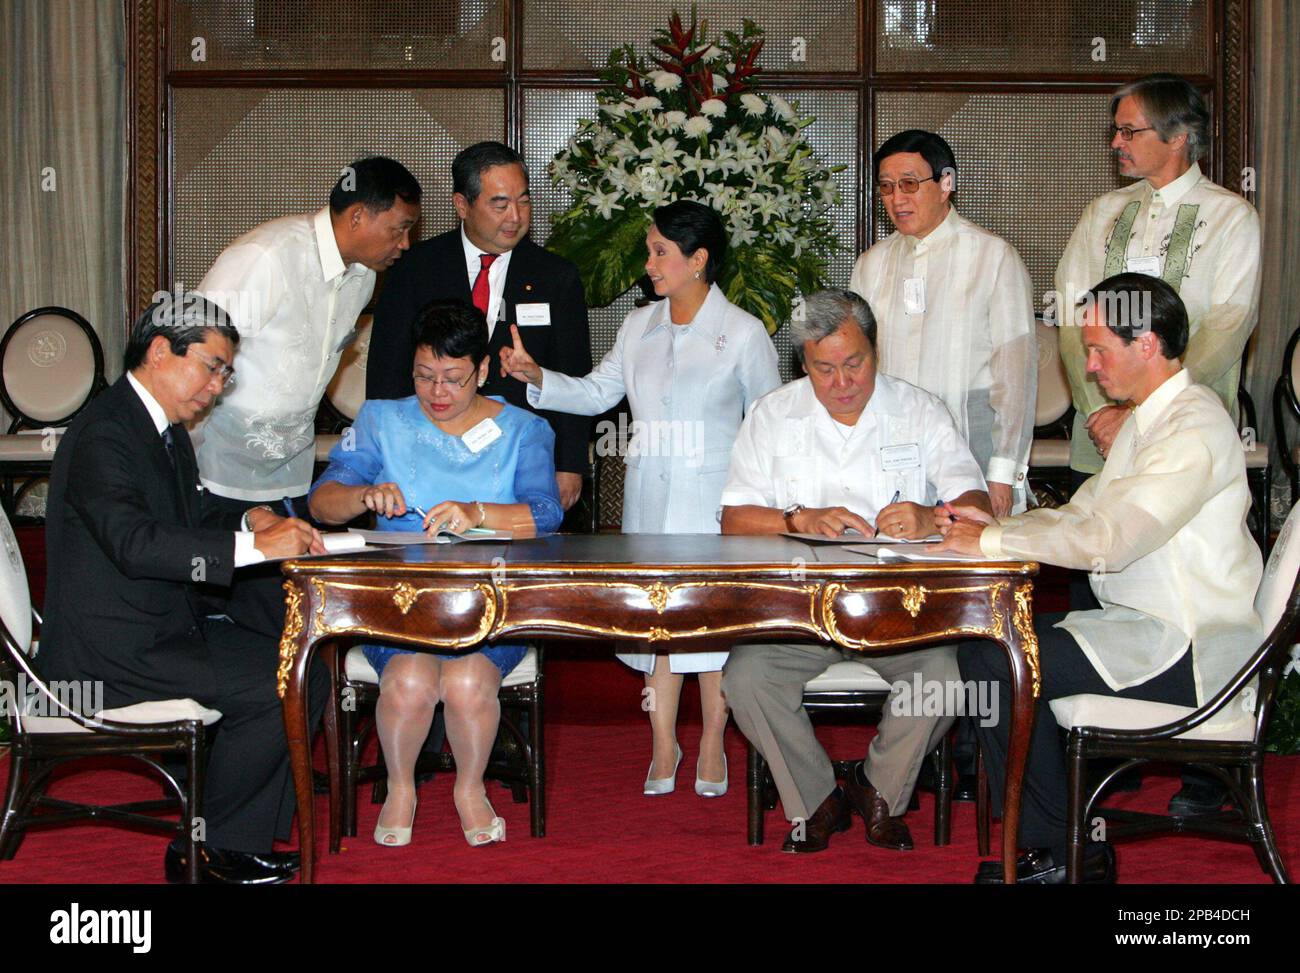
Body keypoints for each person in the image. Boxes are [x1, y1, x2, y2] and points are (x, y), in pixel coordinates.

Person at [936, 273, 1262, 883]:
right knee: (988, 647)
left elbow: (1110, 542)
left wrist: (992, 539)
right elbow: (1086, 512)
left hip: (1191, 648)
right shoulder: (1149, 419)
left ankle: (1061, 852)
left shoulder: (1193, 427)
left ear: (1147, 345)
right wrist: (994, 523)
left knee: (998, 661)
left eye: (1098, 350)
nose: (1087, 367)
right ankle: (1062, 844)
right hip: (1145, 629)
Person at [38, 299, 328, 884]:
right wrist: (256, 551)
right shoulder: (106, 432)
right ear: (159, 351)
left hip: (150, 629)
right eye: (213, 367)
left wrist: (254, 519)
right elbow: (137, 545)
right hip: (109, 656)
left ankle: (230, 839)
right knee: (283, 679)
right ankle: (206, 848)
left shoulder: (153, 425)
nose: (218, 387)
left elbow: (189, 511)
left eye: (226, 373)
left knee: (303, 663)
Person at [500, 200, 780, 798]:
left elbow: (769, 423)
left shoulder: (745, 333)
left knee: (711, 623)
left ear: (698, 260)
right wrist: (535, 376)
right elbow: (598, 393)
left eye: (660, 253)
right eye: (649, 250)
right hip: (648, 498)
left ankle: (710, 740)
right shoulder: (637, 326)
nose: (648, 264)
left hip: (719, 503)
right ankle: (662, 742)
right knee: (657, 619)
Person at [719, 289, 991, 854]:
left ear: (875, 351)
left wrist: (930, 516)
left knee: (942, 684)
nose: (843, 382)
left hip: (900, 615)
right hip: (798, 615)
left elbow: (975, 503)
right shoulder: (773, 414)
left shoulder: (919, 409)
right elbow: (733, 518)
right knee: (746, 680)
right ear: (804, 365)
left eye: (855, 363)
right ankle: (818, 798)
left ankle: (877, 789)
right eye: (825, 369)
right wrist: (799, 516)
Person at [1054, 74, 1261, 814]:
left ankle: (1212, 768)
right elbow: (1072, 312)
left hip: (1184, 423)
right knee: (1097, 559)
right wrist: (1101, 405)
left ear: (1179, 136)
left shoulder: (1229, 216)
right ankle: (1109, 745)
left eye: (1130, 130)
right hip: (1101, 418)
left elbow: (1229, 320)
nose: (1115, 142)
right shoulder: (1102, 213)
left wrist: (1147, 403)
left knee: (1192, 563)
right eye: (1115, 129)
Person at [309, 299, 563, 847]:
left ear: (485, 370)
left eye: (453, 378)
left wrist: (477, 513)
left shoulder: (524, 429)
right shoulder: (382, 419)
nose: (437, 392)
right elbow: (322, 502)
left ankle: (470, 787)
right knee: (410, 680)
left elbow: (546, 514)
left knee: (469, 680)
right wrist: (362, 495)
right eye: (424, 376)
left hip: (490, 604)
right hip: (399, 604)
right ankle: (402, 786)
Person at [192, 156, 422, 637]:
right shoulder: (268, 257)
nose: (405, 245)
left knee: (287, 615)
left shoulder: (362, 275)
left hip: (288, 472)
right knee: (224, 608)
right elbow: (194, 352)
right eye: (399, 229)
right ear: (358, 215)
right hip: (217, 470)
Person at [365, 141, 592, 512]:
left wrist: (569, 465)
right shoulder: (414, 267)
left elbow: (574, 374)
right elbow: (387, 369)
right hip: (427, 455)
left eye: (524, 201)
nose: (515, 216)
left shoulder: (556, 276)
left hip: (520, 461)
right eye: (500, 204)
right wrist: (385, 453)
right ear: (462, 205)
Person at [850, 129, 1036, 517]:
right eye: (886, 188)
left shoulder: (994, 257)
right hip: (890, 456)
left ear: (946, 182)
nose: (897, 199)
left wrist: (1002, 474)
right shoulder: (870, 265)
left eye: (909, 184)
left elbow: (1015, 378)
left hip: (972, 452)